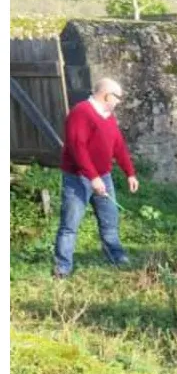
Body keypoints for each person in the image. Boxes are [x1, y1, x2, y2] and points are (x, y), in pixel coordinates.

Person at [53, 78, 140, 279]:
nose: (119, 101)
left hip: (104, 176)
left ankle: (117, 258)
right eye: (117, 97)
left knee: (110, 221)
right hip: (78, 178)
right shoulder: (81, 112)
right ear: (106, 95)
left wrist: (130, 173)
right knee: (69, 225)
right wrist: (92, 177)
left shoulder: (108, 116)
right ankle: (62, 268)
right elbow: (77, 147)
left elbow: (118, 145)